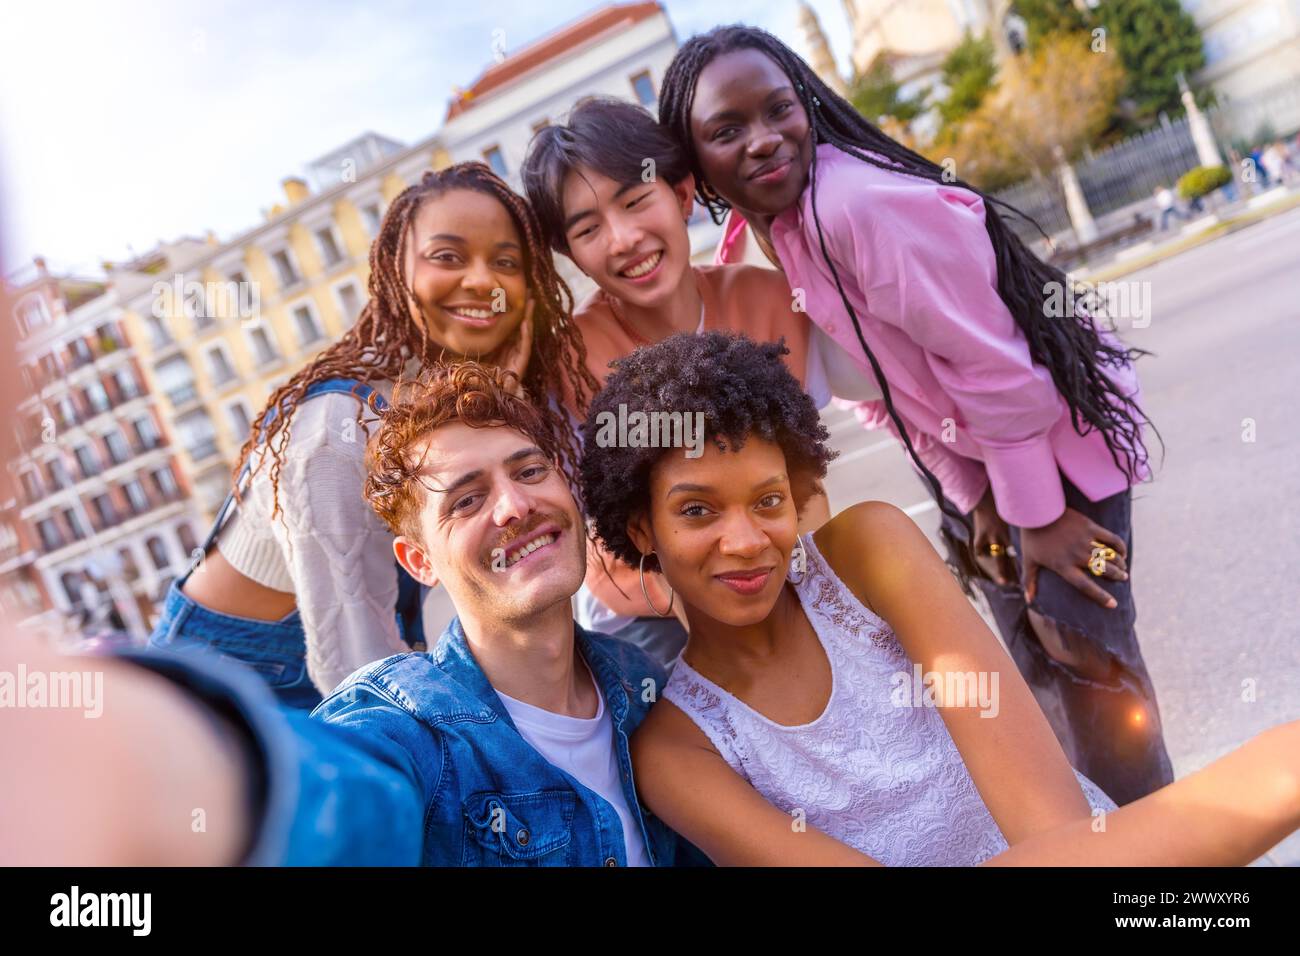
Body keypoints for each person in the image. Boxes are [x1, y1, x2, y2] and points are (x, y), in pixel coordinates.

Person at [657, 25, 1173, 805]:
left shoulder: (859, 206)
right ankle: (1083, 840)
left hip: (1063, 466)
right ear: (696, 162)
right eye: (727, 131)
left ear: (809, 102)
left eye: (778, 110)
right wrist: (978, 500)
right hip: (989, 476)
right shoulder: (769, 234)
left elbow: (997, 373)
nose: (763, 141)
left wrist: (1035, 513)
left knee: (1093, 656)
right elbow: (888, 389)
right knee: (1034, 663)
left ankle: (1166, 861)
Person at [579, 331, 1300, 866]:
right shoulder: (676, 747)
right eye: (698, 511)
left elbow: (1054, 826)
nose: (745, 540)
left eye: (768, 501)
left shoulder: (868, 553)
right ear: (642, 525)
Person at [7, 362, 691, 866]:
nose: (514, 505)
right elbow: (341, 795)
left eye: (530, 470)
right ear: (417, 562)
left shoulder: (646, 686)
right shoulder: (408, 728)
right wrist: (168, 756)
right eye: (465, 499)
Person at [148, 162, 599, 708]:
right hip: (231, 695)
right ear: (394, 270)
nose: (482, 281)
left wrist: (503, 402)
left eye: (506, 262)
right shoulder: (335, 427)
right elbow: (354, 669)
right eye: (448, 256)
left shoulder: (449, 395)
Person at [521, 96, 845, 667]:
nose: (622, 240)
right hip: (644, 602)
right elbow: (601, 535)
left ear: (681, 194)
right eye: (588, 228)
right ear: (568, 251)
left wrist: (815, 593)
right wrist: (702, 611)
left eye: (636, 200)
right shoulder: (568, 361)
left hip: (769, 566)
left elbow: (804, 483)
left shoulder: (770, 302)